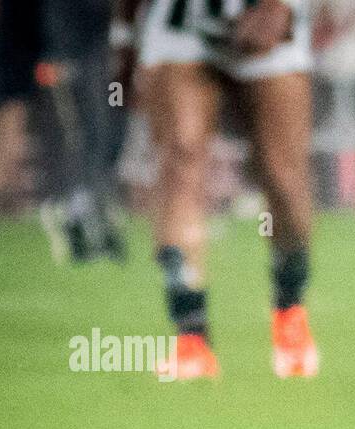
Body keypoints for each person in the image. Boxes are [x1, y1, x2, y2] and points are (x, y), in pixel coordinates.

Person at [113, 0, 319, 378]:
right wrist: (125, 39)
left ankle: (290, 307)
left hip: (264, 13)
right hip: (183, 20)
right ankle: (191, 334)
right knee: (181, 158)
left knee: (283, 177)